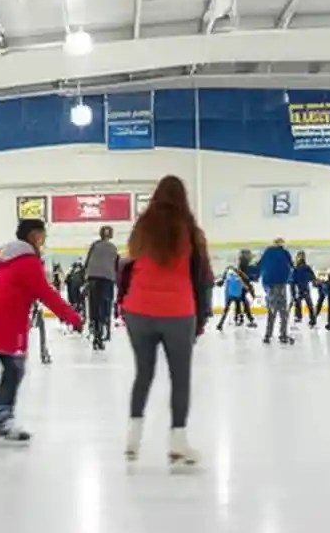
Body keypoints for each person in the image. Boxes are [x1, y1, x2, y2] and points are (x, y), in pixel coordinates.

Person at [119, 176, 211, 468]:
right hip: (177, 311)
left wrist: (123, 303)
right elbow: (204, 278)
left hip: (138, 309)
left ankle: (132, 439)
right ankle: (178, 442)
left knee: (143, 373)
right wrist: (201, 318)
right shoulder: (191, 232)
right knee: (179, 377)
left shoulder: (142, 228)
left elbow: (126, 266)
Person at [0, 218, 83, 443]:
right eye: (42, 236)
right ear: (34, 235)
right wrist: (72, 317)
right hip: (4, 319)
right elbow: (45, 292)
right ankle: (1, 419)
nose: (44, 241)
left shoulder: (11, 259)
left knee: (14, 369)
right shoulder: (26, 261)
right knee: (13, 369)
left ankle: (0, 417)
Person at [83, 225, 120, 350]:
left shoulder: (95, 245)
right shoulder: (113, 248)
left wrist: (86, 277)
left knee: (94, 307)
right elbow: (117, 265)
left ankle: (96, 331)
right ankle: (104, 331)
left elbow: (87, 263)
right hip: (107, 279)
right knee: (105, 305)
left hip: (93, 278)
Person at [259, 237, 294, 344]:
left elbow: (260, 267)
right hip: (281, 284)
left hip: (269, 285)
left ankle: (268, 335)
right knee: (283, 311)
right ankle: (283, 334)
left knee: (272, 310)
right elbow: (290, 267)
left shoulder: (267, 253)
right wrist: (289, 279)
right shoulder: (284, 253)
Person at [216, 265, 256, 330]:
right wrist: (253, 295)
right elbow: (248, 286)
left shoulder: (228, 275)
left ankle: (221, 323)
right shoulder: (241, 276)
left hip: (230, 295)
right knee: (245, 304)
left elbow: (222, 283)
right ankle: (248, 320)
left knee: (228, 308)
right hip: (239, 294)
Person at [291, 251, 316, 326]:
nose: (300, 258)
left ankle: (311, 319)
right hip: (300, 288)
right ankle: (300, 317)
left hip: (304, 288)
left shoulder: (305, 268)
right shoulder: (297, 268)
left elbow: (312, 277)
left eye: (301, 256)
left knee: (307, 303)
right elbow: (293, 280)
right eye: (299, 256)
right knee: (299, 303)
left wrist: (313, 281)